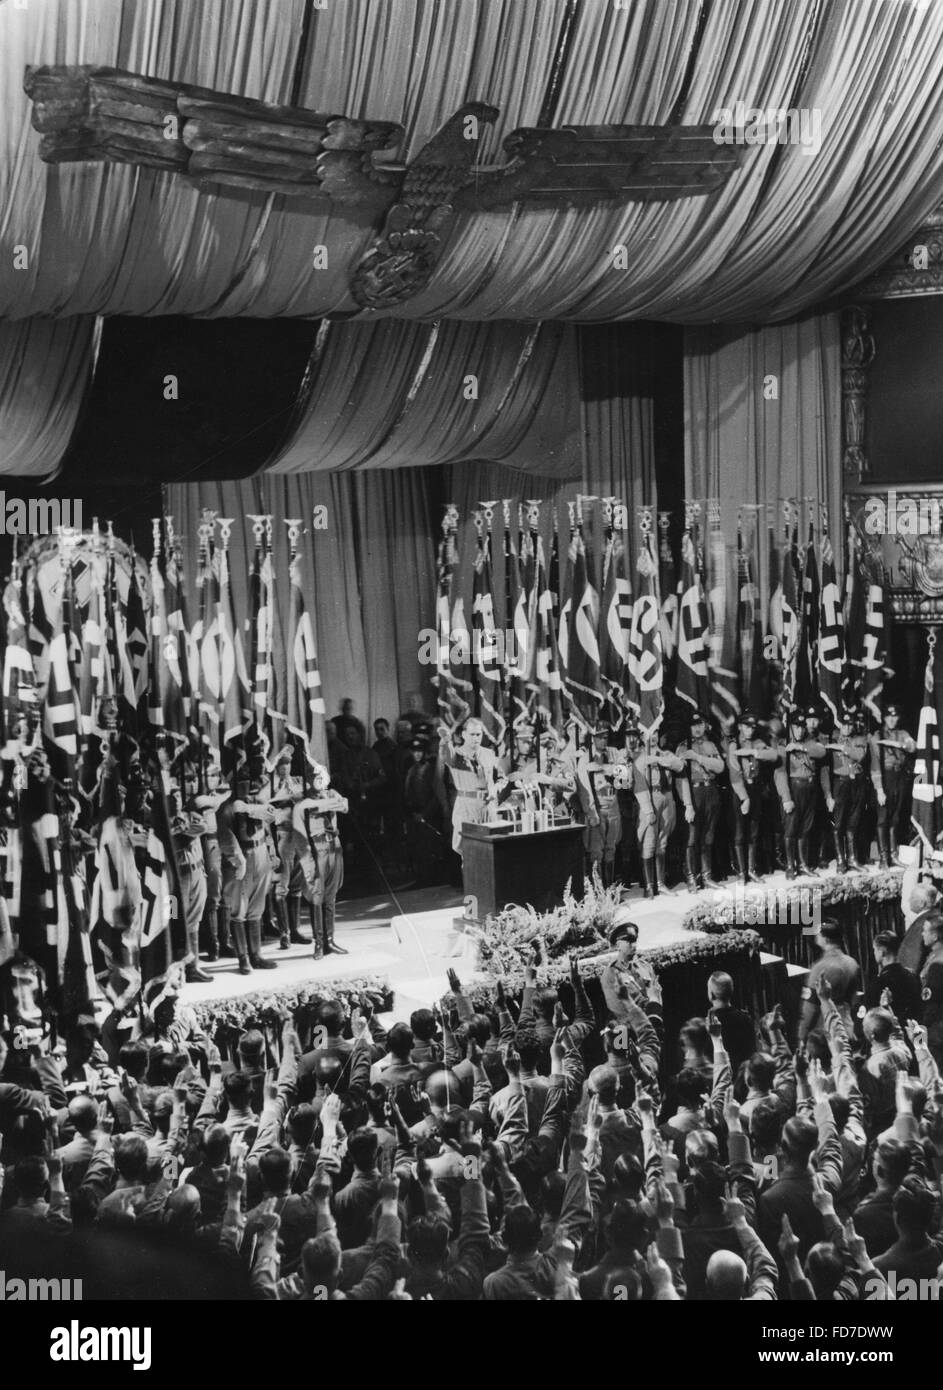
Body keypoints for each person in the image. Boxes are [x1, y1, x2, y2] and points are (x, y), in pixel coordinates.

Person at [216, 766, 278, 975]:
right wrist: (237, 859)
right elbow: (224, 835)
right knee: (239, 909)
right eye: (242, 781)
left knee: (257, 907)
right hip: (242, 858)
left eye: (250, 781)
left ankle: (256, 954)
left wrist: (272, 852)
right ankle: (243, 958)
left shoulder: (256, 803)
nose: (248, 785)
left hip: (260, 854)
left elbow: (269, 825)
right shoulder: (226, 808)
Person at [293, 760, 349, 957]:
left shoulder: (331, 794)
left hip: (335, 847)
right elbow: (300, 837)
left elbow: (344, 805)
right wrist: (307, 864)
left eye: (321, 777)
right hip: (318, 850)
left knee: (331, 895)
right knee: (317, 895)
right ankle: (319, 942)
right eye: (315, 778)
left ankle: (330, 941)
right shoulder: (303, 804)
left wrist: (328, 800)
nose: (319, 780)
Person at [628, 726, 689, 896]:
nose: (652, 737)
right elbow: (638, 785)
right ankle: (649, 885)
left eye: (654, 733)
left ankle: (660, 883)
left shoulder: (665, 754)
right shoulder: (639, 758)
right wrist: (648, 810)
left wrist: (658, 760)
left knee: (662, 842)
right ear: (641, 736)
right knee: (649, 841)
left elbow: (679, 765)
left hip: (667, 796)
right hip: (651, 797)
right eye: (648, 733)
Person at [727, 713, 779, 883]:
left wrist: (754, 752)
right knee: (740, 833)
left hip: (755, 789)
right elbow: (735, 775)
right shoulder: (734, 745)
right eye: (747, 726)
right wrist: (744, 798)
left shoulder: (757, 743)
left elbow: (773, 755)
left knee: (754, 832)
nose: (750, 730)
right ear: (740, 727)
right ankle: (741, 872)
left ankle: (751, 870)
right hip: (741, 791)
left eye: (752, 727)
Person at [775, 708, 826, 879]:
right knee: (791, 829)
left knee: (806, 828)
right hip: (793, 789)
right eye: (796, 727)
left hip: (809, 789)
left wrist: (799, 747)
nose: (800, 730)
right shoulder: (783, 745)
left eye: (802, 727)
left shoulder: (809, 742)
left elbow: (821, 751)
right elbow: (780, 773)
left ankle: (803, 864)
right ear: (790, 727)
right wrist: (786, 798)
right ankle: (791, 865)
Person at [439, 717, 501, 856]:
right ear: (464, 735)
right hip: (467, 807)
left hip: (487, 807)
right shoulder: (456, 755)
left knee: (490, 850)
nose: (476, 738)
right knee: (469, 853)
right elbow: (446, 755)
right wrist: (445, 742)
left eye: (478, 734)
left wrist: (495, 788)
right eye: (472, 734)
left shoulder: (488, 754)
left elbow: (501, 777)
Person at [676, 710, 724, 890]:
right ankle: (691, 877)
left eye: (700, 724)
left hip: (710, 790)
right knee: (692, 836)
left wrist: (698, 758)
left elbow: (719, 767)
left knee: (708, 835)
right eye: (693, 725)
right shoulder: (682, 747)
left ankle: (706, 876)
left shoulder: (711, 745)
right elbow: (680, 779)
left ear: (705, 725)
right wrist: (687, 803)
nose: (697, 728)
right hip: (693, 793)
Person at [576, 724, 627, 888]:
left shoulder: (614, 752)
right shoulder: (585, 758)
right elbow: (584, 788)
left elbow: (623, 781)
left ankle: (610, 889)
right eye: (599, 737)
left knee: (611, 848)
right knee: (596, 851)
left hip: (613, 804)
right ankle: (598, 892)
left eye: (605, 737)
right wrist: (590, 812)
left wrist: (603, 768)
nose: (603, 740)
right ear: (592, 738)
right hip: (597, 806)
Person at [798, 920, 861, 1045]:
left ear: (825, 939)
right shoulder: (852, 963)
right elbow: (854, 1001)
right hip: (847, 1026)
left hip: (824, 1033)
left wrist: (802, 1036)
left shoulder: (818, 968)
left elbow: (810, 1009)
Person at [870, 703, 915, 868]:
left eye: (895, 717)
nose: (892, 720)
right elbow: (875, 765)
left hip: (899, 777)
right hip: (885, 778)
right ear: (884, 718)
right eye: (889, 717)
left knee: (895, 818)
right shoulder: (876, 736)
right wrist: (879, 789)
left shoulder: (902, 734)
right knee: (883, 818)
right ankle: (883, 858)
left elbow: (912, 746)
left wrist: (899, 745)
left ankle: (894, 855)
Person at [825, 706, 870, 871]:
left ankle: (852, 859)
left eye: (850, 725)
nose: (847, 728)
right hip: (840, 782)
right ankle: (840, 860)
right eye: (844, 725)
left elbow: (859, 755)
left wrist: (842, 748)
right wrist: (828, 794)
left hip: (857, 783)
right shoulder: (831, 739)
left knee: (853, 822)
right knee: (838, 823)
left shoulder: (859, 739)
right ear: (839, 725)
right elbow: (825, 768)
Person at [864, 931, 922, 1023]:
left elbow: (871, 1021)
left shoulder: (878, 983)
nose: (874, 953)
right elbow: (919, 1015)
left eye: (874, 949)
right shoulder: (913, 977)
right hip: (912, 1033)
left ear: (882, 952)